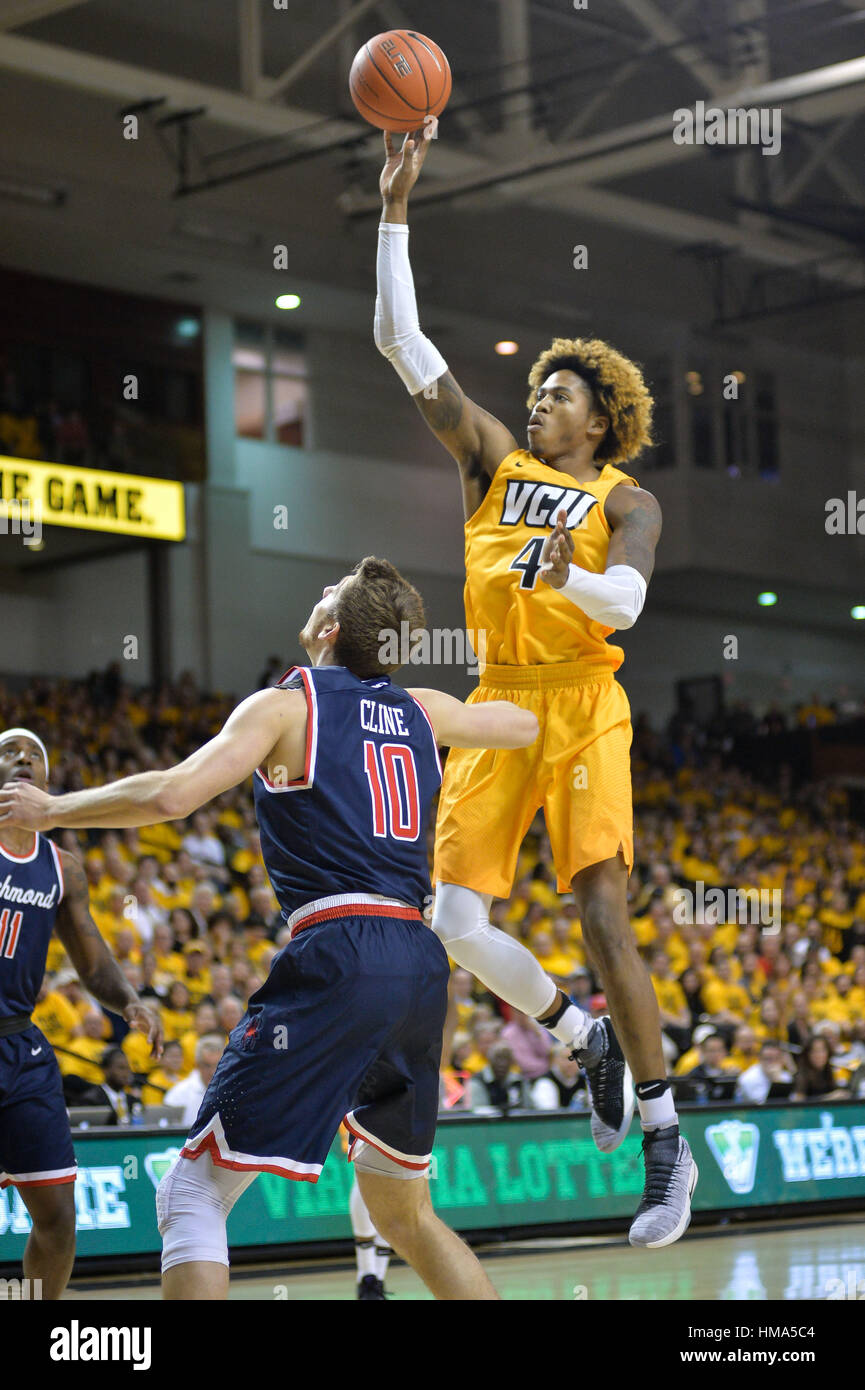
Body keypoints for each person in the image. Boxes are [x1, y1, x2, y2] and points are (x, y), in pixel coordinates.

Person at [0, 557, 538, 1301]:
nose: (315, 597)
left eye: (325, 595)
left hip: (342, 947)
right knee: (404, 1213)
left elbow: (171, 795)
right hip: (418, 962)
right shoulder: (423, 707)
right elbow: (522, 722)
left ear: (331, 628)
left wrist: (54, 811)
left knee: (191, 1194)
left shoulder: (285, 707)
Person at [373, 130, 696, 1249]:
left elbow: (629, 609)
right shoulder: (490, 468)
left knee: (603, 915)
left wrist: (578, 574)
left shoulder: (627, 502)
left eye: (554, 394)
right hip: (501, 696)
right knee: (454, 923)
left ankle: (664, 1141)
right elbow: (397, 336)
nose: (537, 403)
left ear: (598, 417)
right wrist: (395, 207)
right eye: (534, 393)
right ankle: (578, 1037)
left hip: (582, 699)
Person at [0, 728, 161, 1300]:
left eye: (35, 755)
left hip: (21, 1047)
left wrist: (130, 1001)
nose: (23, 759)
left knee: (58, 1217)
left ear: (48, 782)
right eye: (10, 752)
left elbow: (91, 961)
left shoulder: (63, 868)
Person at [163, 1034, 224, 1126]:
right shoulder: (177, 1094)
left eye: (217, 1066)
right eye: (207, 1066)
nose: (212, 1072)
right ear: (198, 1065)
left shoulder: (233, 1091)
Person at [735, 1040, 794, 1105]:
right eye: (768, 1059)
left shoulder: (786, 1076)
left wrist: (778, 1079)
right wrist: (777, 1081)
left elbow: (790, 1101)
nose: (772, 1063)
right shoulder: (747, 1078)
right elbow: (762, 1105)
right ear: (759, 1058)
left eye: (776, 1058)